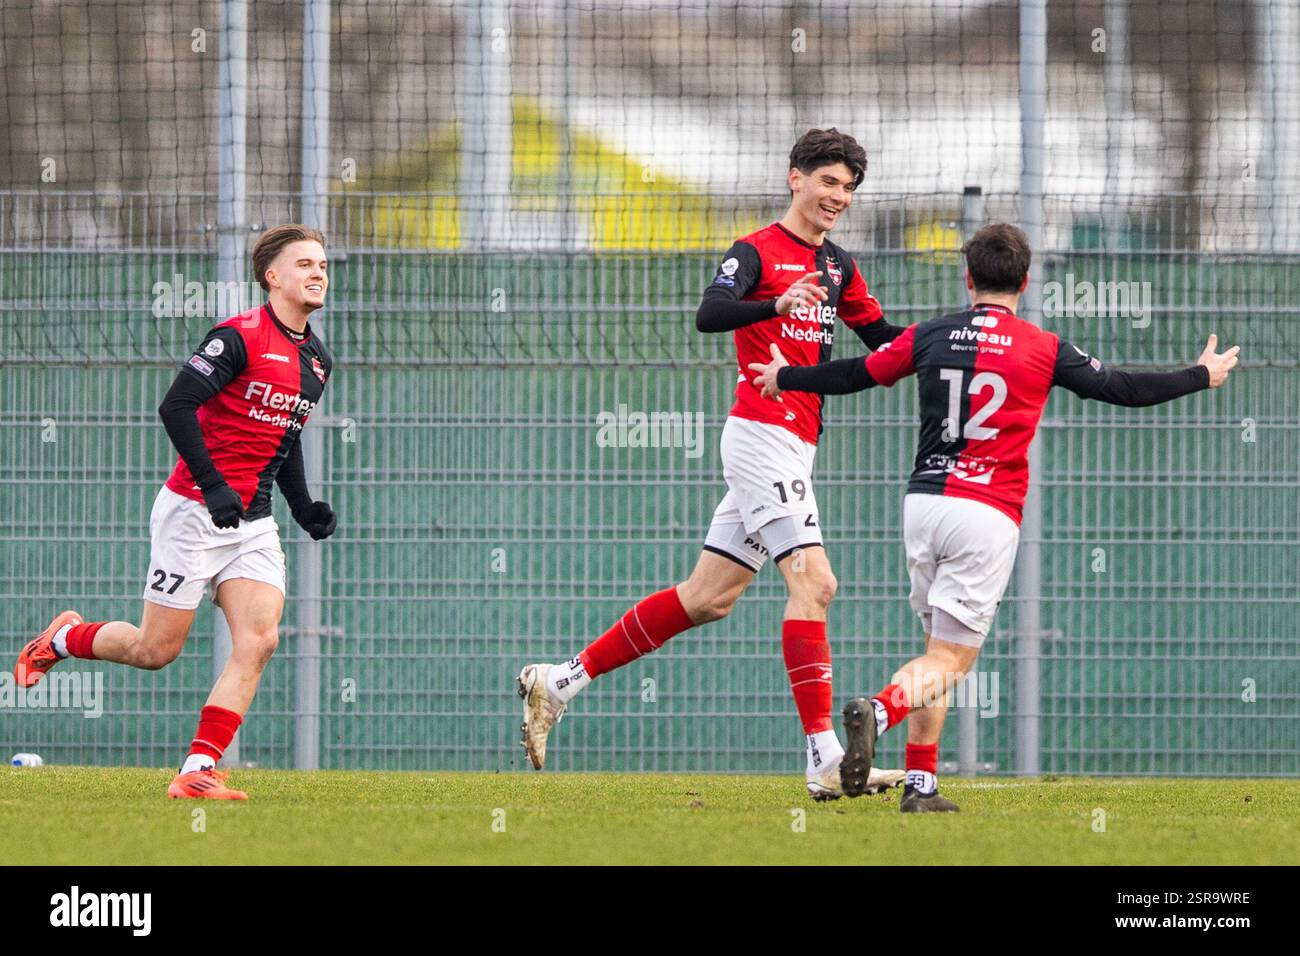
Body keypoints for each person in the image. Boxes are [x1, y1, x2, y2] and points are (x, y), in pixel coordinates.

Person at [749, 222, 1239, 811]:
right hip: (986, 513)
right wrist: (1200, 375)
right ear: (1027, 282)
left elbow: (858, 373)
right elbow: (1125, 388)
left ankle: (922, 785)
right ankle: (878, 713)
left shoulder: (931, 335)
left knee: (936, 650)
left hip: (924, 506)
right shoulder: (1043, 345)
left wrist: (785, 376)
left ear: (968, 277)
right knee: (952, 659)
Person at [518, 129, 907, 800]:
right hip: (761, 436)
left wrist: (951, 344)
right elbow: (710, 313)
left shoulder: (841, 266)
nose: (837, 197)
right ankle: (823, 759)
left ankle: (559, 682)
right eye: (827, 182)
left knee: (708, 599)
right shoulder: (755, 251)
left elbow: (882, 342)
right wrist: (775, 304)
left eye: (847, 188)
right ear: (796, 178)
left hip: (795, 443)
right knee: (815, 584)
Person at [14, 224, 338, 800]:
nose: (318, 273)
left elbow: (282, 440)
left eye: (323, 264)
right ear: (273, 277)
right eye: (305, 264)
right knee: (155, 650)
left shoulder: (317, 361)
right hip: (193, 510)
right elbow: (177, 405)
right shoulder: (237, 337)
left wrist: (302, 506)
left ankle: (197, 770)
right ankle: (64, 639)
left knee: (259, 641)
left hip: (252, 524)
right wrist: (212, 486)